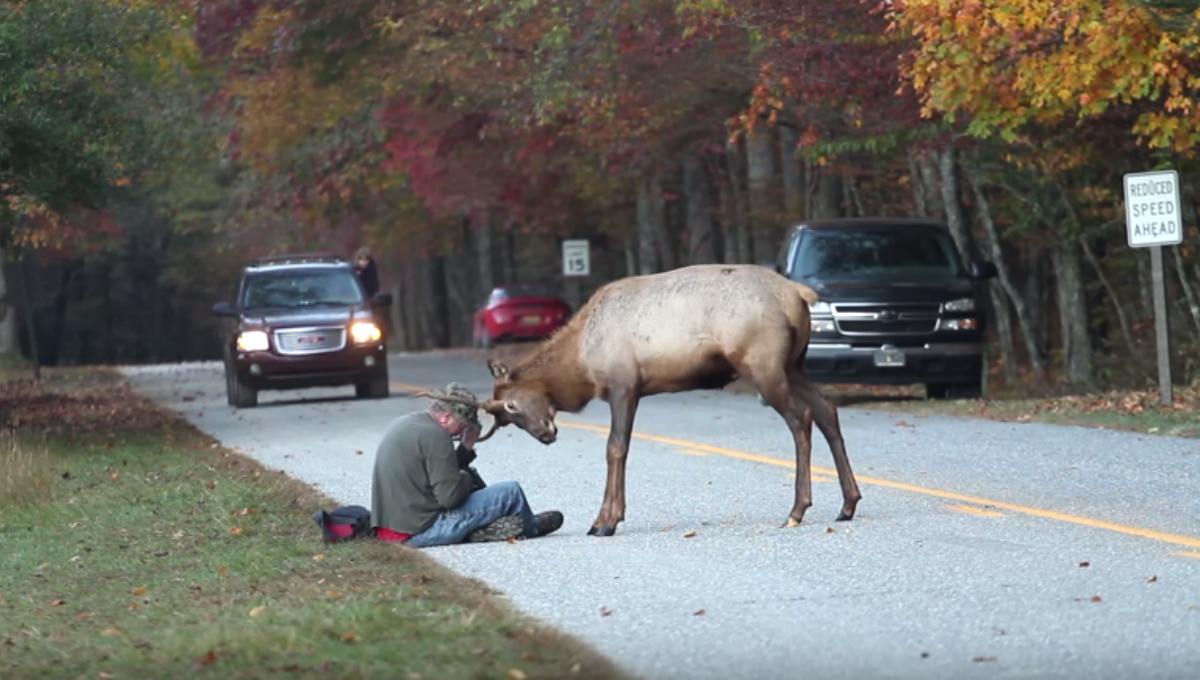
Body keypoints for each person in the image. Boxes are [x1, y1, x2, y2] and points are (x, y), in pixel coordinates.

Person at [370, 382, 563, 547]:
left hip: (392, 531)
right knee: (510, 491)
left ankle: (482, 529)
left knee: (468, 478)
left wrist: (465, 448)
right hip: (421, 531)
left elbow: (437, 474)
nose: (461, 432)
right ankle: (530, 528)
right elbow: (449, 498)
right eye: (462, 425)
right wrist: (465, 478)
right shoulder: (437, 436)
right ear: (446, 417)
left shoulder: (408, 423)